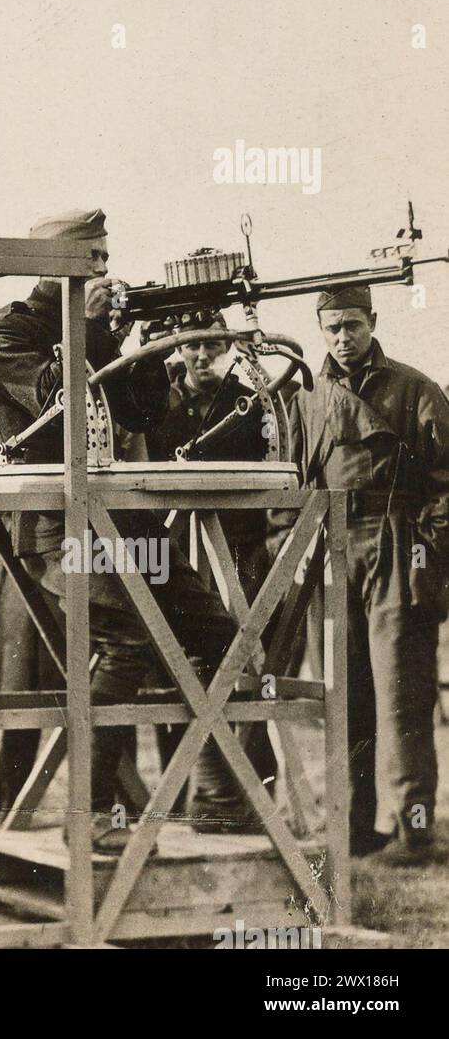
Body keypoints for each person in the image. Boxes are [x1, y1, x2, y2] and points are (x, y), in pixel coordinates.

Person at [0, 209, 252, 851]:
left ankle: (215, 795)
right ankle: (93, 812)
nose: (103, 269)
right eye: (89, 259)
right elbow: (52, 401)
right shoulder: (5, 331)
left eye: (105, 257)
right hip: (54, 523)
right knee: (128, 638)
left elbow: (141, 408)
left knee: (218, 634)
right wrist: (90, 331)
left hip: (120, 516)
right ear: (51, 266)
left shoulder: (98, 328)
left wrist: (150, 342)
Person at [280, 285, 449, 864]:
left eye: (352, 325)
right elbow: (295, 479)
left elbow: (445, 484)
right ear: (320, 330)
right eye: (331, 328)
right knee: (341, 692)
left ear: (372, 322)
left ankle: (413, 830)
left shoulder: (416, 389)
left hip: (395, 541)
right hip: (330, 545)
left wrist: (427, 547)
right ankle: (352, 829)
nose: (342, 338)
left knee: (402, 689)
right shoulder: (306, 397)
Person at [145, 325, 278, 804]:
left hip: (238, 550)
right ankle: (182, 793)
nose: (202, 355)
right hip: (175, 546)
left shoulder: (253, 402)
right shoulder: (156, 402)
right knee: (174, 666)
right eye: (192, 345)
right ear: (178, 351)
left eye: (212, 346)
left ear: (229, 349)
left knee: (241, 665)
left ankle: (246, 792)